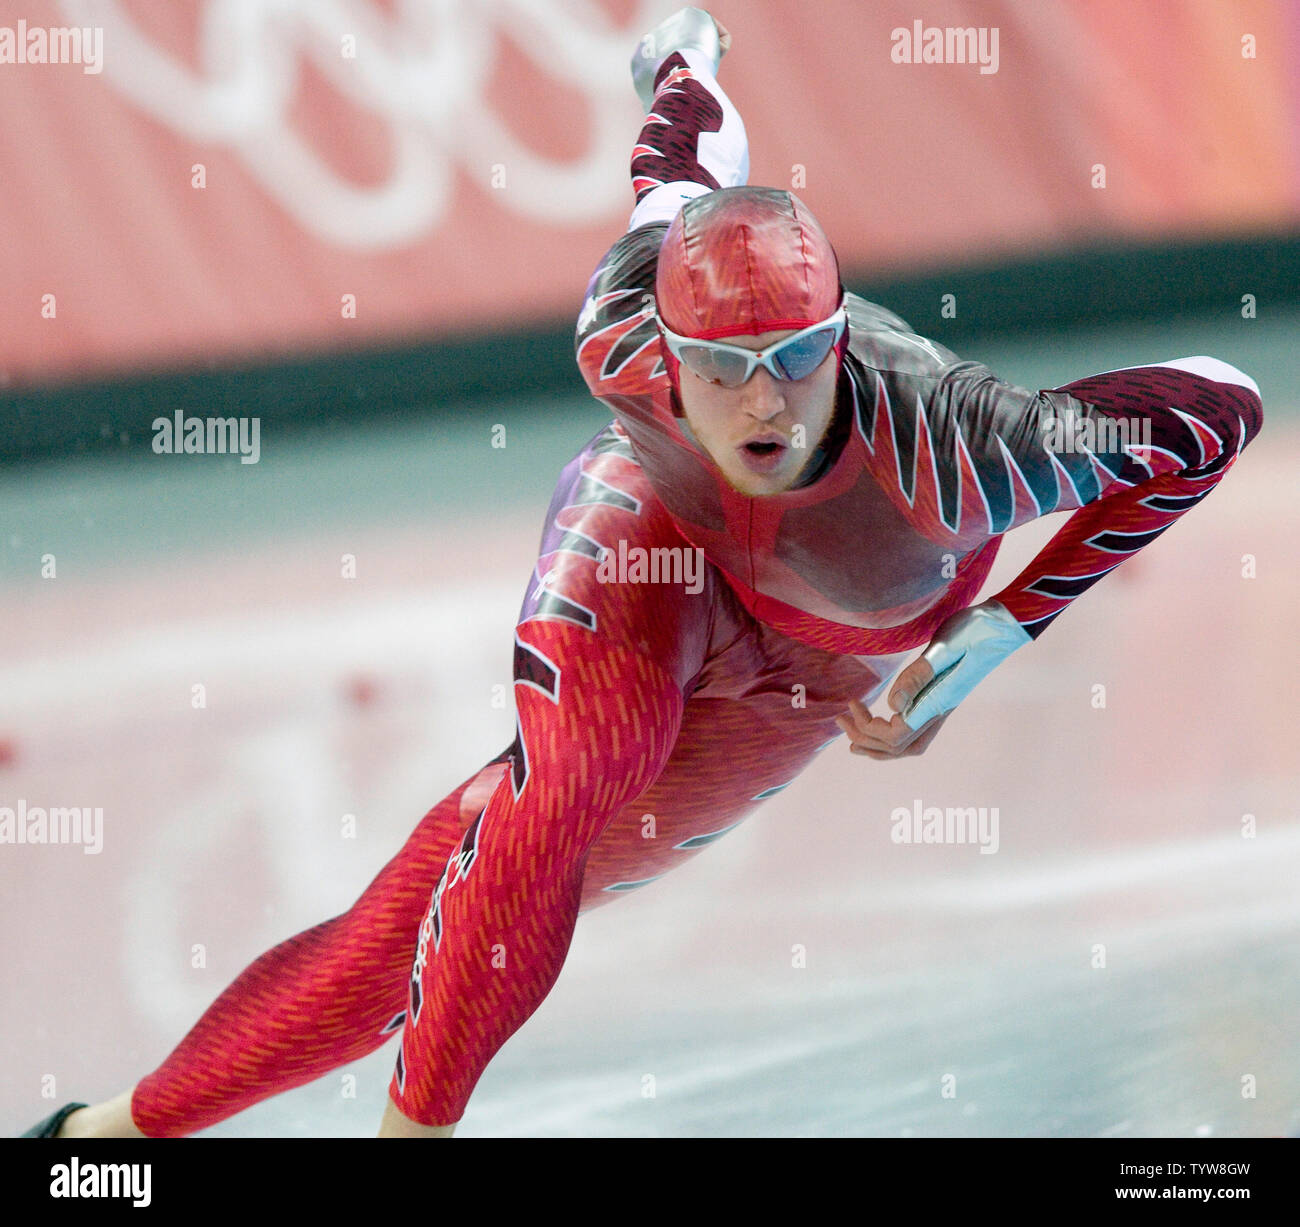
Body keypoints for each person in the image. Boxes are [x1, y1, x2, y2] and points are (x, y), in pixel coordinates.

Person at [26, 7, 1263, 1139]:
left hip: (830, 650)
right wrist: (682, 62)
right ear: (664, 354)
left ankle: (93, 1144)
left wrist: (999, 630)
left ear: (841, 338)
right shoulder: (620, 325)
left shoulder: (966, 448)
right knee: (550, 799)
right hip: (654, 545)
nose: (763, 398)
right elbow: (678, 166)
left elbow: (1222, 404)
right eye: (720, 366)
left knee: (435, 924)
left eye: (796, 355)